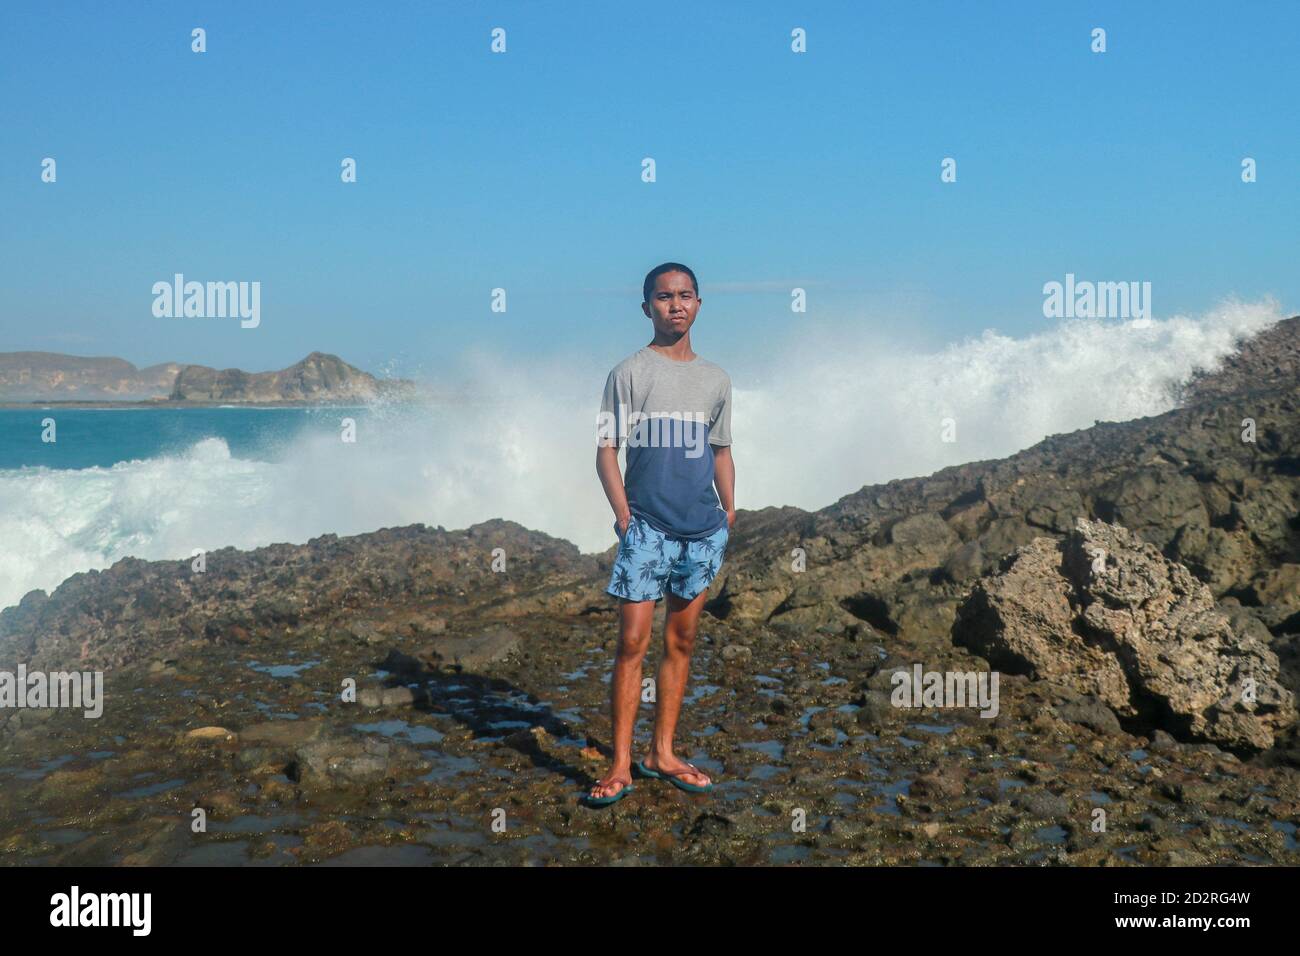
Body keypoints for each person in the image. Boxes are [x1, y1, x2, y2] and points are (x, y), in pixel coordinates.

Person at [584, 262, 736, 806]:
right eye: (665, 296)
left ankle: (662, 753)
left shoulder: (716, 379)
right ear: (646, 306)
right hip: (647, 528)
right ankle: (621, 763)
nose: (676, 304)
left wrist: (730, 513)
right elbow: (607, 450)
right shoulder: (628, 373)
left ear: (698, 304)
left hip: (702, 530)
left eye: (686, 295)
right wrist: (624, 516)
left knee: (682, 641)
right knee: (631, 644)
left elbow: (721, 451)